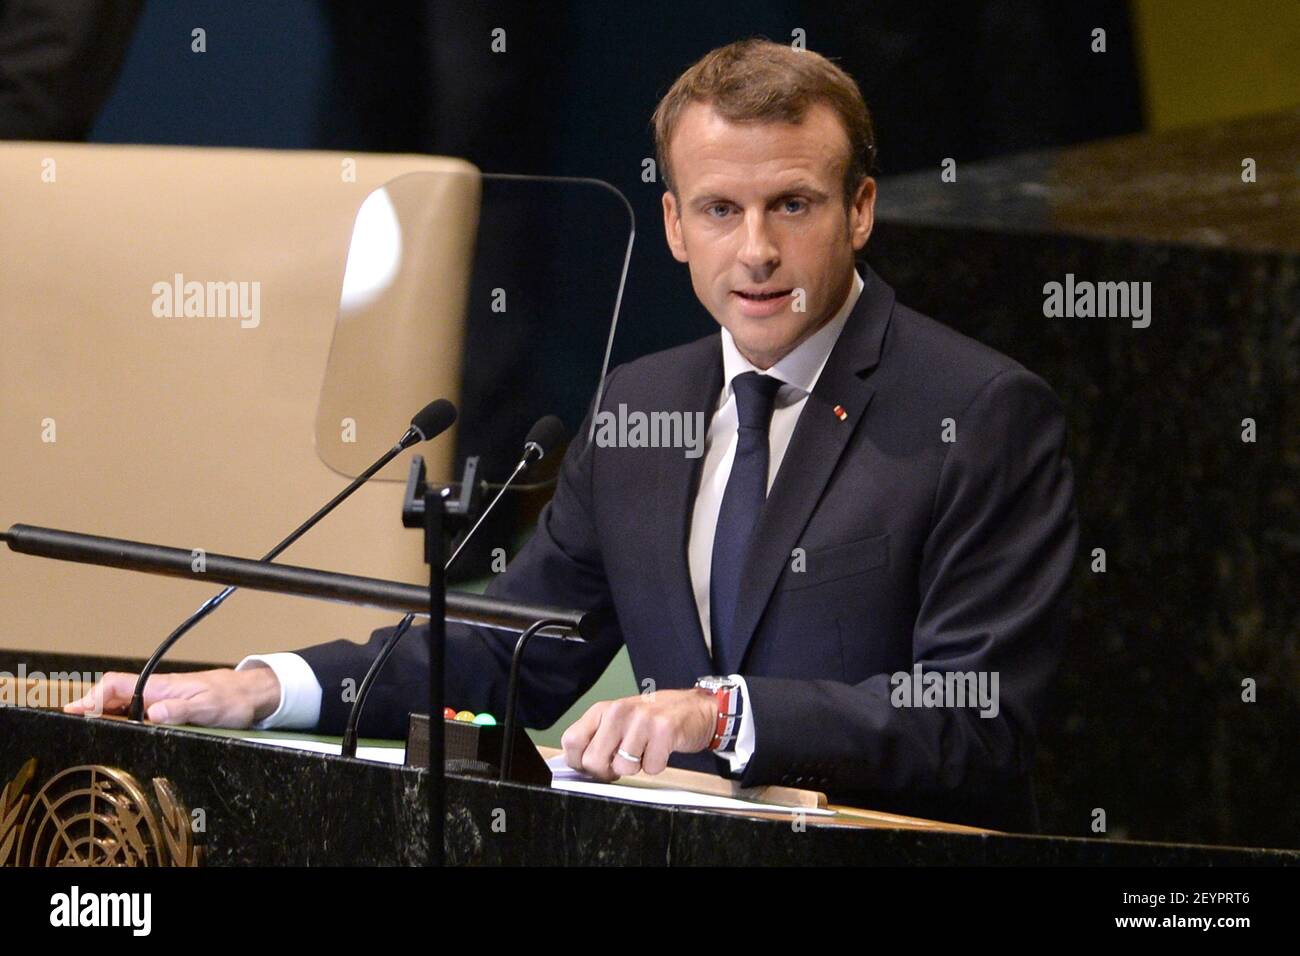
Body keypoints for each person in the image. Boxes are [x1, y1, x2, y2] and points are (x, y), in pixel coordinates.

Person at [67, 39, 1078, 832]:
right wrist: (261, 687)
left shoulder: (980, 411)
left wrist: (720, 713)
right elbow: (515, 653)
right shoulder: (643, 405)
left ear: (859, 210)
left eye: (793, 205)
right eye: (721, 209)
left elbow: (973, 722)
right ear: (676, 226)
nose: (758, 250)